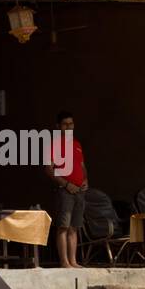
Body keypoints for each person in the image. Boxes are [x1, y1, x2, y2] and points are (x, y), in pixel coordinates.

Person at [46, 110, 87, 268]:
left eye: (71, 124)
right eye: (65, 124)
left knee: (74, 227)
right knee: (63, 226)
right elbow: (49, 168)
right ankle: (64, 262)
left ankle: (73, 261)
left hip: (79, 190)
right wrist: (65, 183)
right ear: (58, 126)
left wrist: (85, 180)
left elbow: (82, 166)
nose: (69, 127)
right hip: (65, 190)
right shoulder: (54, 144)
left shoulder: (77, 144)